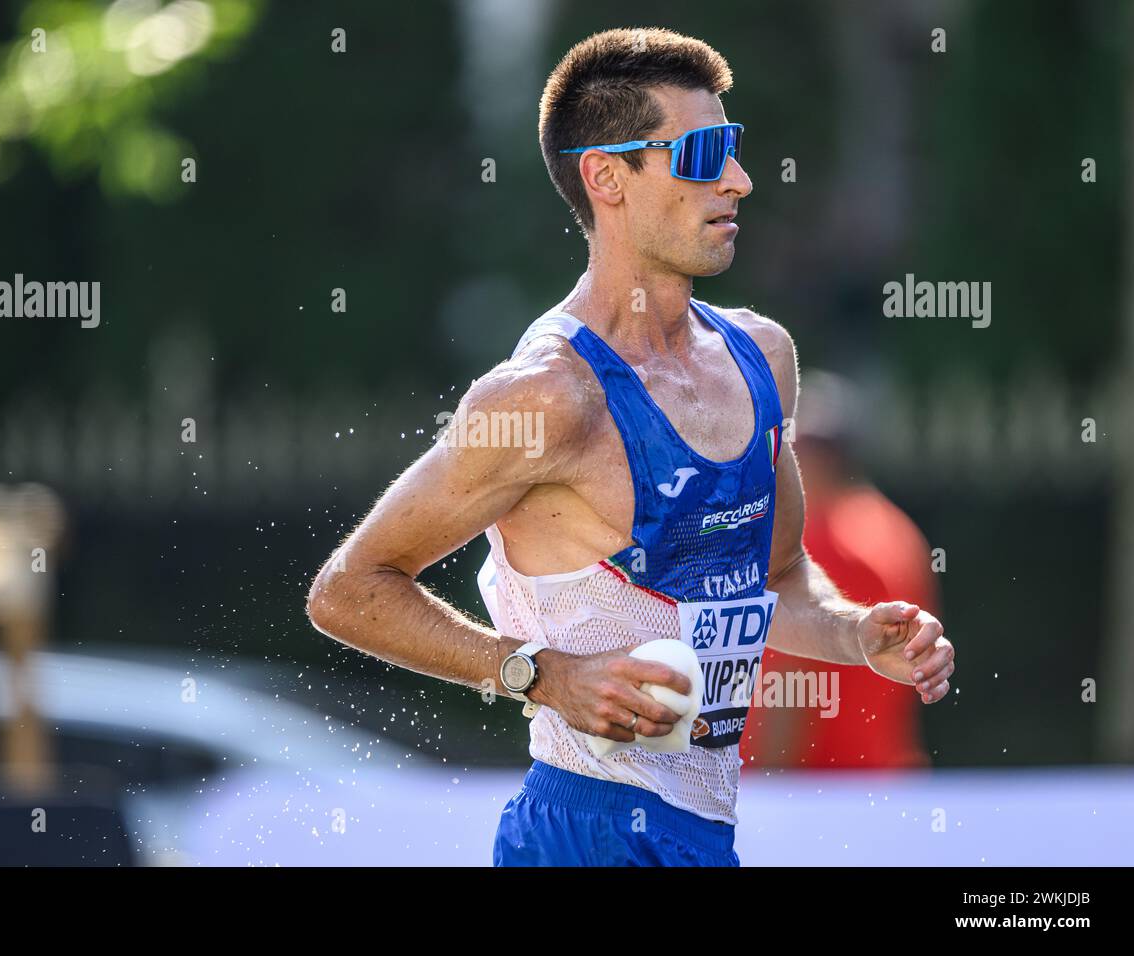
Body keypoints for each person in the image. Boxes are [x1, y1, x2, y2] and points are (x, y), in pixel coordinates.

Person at [307, 27, 954, 866]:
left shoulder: (764, 358)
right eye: (703, 154)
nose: (739, 180)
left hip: (703, 835)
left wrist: (856, 633)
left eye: (737, 148)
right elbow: (347, 591)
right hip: (586, 831)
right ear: (606, 175)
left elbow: (780, 580)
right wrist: (540, 676)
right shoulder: (545, 398)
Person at [741, 371, 936, 769]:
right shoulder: (899, 533)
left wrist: (767, 782)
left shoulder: (818, 539)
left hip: (816, 787)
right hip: (884, 775)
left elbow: (793, 679)